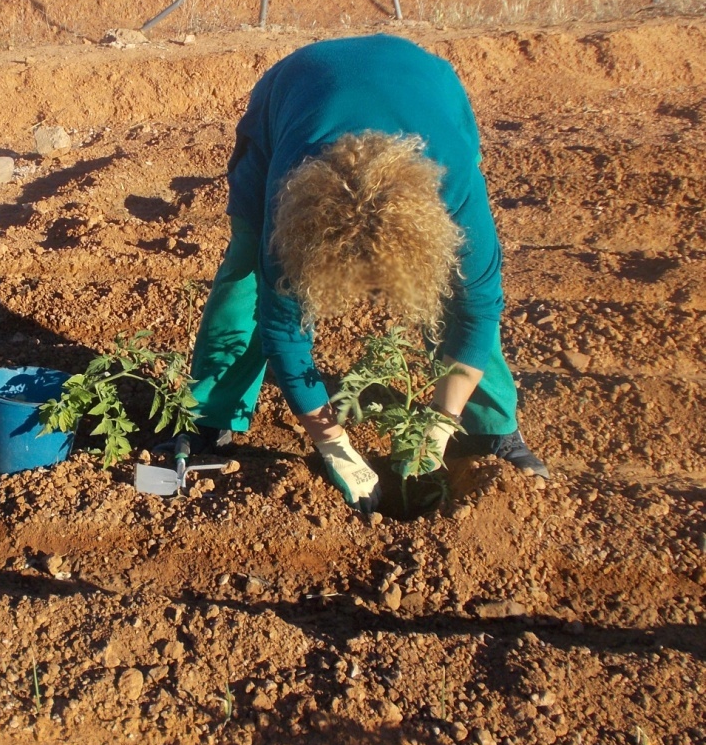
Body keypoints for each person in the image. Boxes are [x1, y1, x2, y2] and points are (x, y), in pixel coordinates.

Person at [183, 33, 547, 514]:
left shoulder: (454, 190)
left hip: (428, 86)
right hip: (297, 87)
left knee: (456, 290)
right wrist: (334, 445)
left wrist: (440, 423)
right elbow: (282, 332)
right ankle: (211, 414)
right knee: (247, 267)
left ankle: (492, 428)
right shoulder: (292, 207)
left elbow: (479, 311)